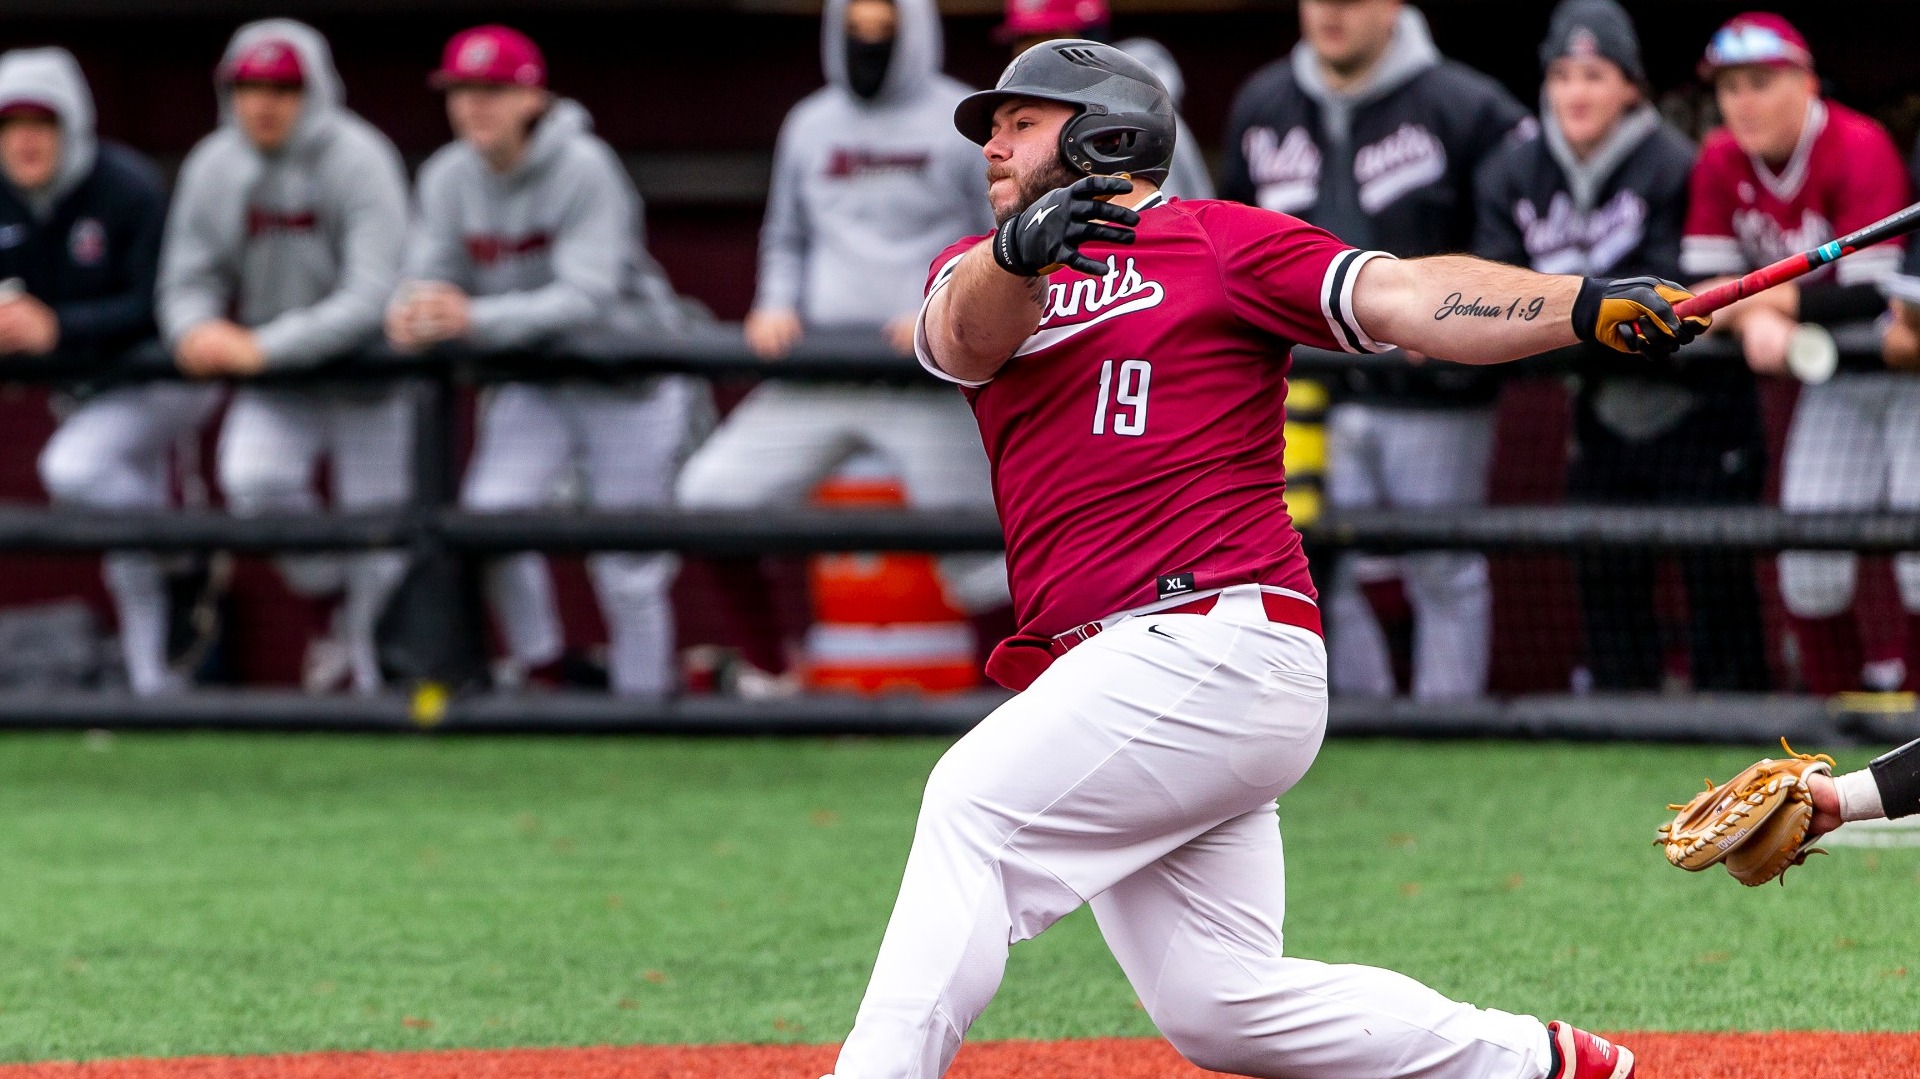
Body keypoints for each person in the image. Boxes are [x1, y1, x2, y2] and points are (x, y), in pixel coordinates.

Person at [826, 38, 1701, 1079]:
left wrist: (1579, 305)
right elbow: (963, 339)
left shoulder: (1221, 242)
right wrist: (1020, 250)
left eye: (1022, 120)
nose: (993, 144)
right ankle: (1537, 1060)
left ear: (1107, 130)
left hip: (1213, 634)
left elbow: (1410, 297)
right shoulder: (980, 269)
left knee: (971, 802)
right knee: (1219, 1005)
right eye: (992, 127)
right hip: (1137, 673)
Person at [676, 0, 1005, 683]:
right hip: (816, 371)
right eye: (855, 31)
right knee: (708, 497)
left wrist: (935, 308)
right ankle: (769, 672)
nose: (868, 44)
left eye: (883, 31)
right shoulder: (810, 123)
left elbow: (996, 242)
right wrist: (773, 305)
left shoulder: (961, 123)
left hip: (922, 374)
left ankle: (1008, 698)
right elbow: (787, 235)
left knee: (981, 554)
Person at [1218, 0, 1533, 701]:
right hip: (1301, 388)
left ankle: (1445, 725)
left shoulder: (1466, 104)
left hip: (1430, 392)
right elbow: (1226, 240)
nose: (1331, 14)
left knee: (1442, 565)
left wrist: (1458, 316)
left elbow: (1513, 234)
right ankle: (1359, 720)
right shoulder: (1265, 101)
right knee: (1322, 564)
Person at [388, 25, 703, 698]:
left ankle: (642, 702)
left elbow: (587, 297)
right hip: (535, 378)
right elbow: (425, 275)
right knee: (492, 518)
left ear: (533, 98)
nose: (475, 105)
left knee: (627, 561)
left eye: (493, 91)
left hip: (629, 379)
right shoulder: (447, 176)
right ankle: (544, 669)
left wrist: (471, 318)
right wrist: (409, 308)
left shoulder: (584, 163)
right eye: (462, 90)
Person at [1473, 0, 1768, 692]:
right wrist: (1580, 320)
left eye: (1596, 74)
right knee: (1607, 582)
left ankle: (1741, 730)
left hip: (1699, 406)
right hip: (1599, 410)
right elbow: (1492, 290)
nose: (1578, 91)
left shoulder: (1676, 162)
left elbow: (1678, 295)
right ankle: (1618, 712)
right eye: (1564, 74)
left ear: (1630, 85)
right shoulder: (1512, 170)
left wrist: (1560, 318)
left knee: (1719, 583)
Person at [155, 21, 413, 695]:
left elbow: (372, 293)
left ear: (315, 91)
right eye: (249, 88)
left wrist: (262, 346)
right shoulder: (214, 165)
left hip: (368, 377)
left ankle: (375, 686)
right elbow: (188, 277)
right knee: (253, 484)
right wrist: (193, 329)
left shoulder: (360, 157)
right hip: (278, 380)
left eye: (282, 88)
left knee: (382, 537)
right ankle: (333, 608)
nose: (264, 103)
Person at [1679, 12, 1913, 695]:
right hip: (1830, 383)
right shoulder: (1720, 157)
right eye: (1729, 88)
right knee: (1808, 557)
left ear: (1806, 83)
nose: (1741, 103)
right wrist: (1753, 312)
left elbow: (1875, 293)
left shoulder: (1859, 143)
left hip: (1903, 372)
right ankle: (1835, 724)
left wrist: (1764, 305)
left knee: (1919, 562)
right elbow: (1701, 294)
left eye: (1760, 82)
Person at [2, 48, 178, 696]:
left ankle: (182, 551)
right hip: (82, 393)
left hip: (161, 385)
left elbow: (155, 304)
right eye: (9, 124)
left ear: (71, 125)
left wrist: (56, 327)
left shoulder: (127, 186)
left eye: (40, 123)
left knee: (73, 470)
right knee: (122, 544)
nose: (24, 140)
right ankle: (154, 685)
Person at [993, 0, 1214, 200]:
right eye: (1023, 39)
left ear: (1091, 37)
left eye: (1049, 37)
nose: (1030, 52)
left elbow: (1159, 227)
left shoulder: (1135, 121)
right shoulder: (1033, 128)